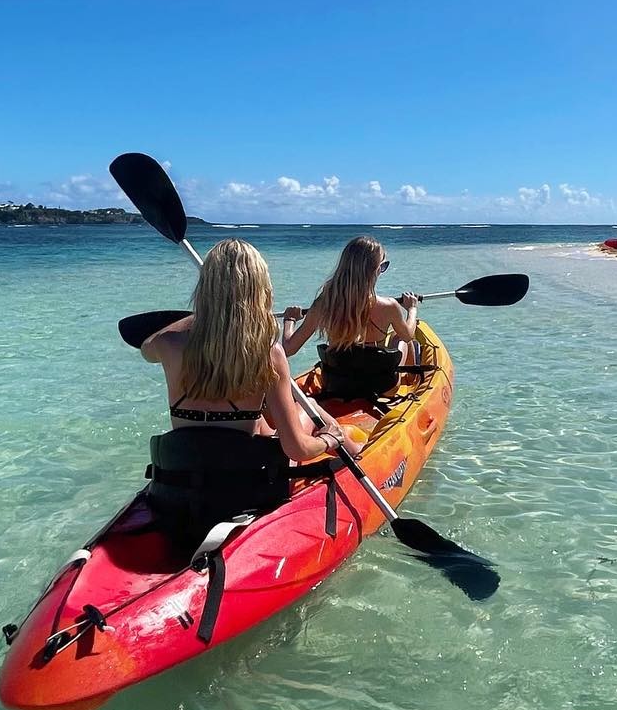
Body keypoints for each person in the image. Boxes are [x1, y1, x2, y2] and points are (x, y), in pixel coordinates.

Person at [139, 239, 362, 548]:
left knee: (262, 424)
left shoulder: (168, 345)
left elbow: (144, 344)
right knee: (306, 406)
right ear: (260, 289)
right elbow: (297, 449)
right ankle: (349, 445)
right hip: (242, 494)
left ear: (204, 289)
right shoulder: (268, 354)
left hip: (179, 486)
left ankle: (345, 442)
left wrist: (199, 316)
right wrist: (329, 439)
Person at [280, 235, 420, 398]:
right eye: (383, 266)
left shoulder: (324, 303)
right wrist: (412, 309)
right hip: (381, 387)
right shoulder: (389, 306)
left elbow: (288, 349)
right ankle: (413, 383)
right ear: (375, 270)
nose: (382, 271)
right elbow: (408, 334)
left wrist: (289, 320)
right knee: (401, 339)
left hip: (336, 384)